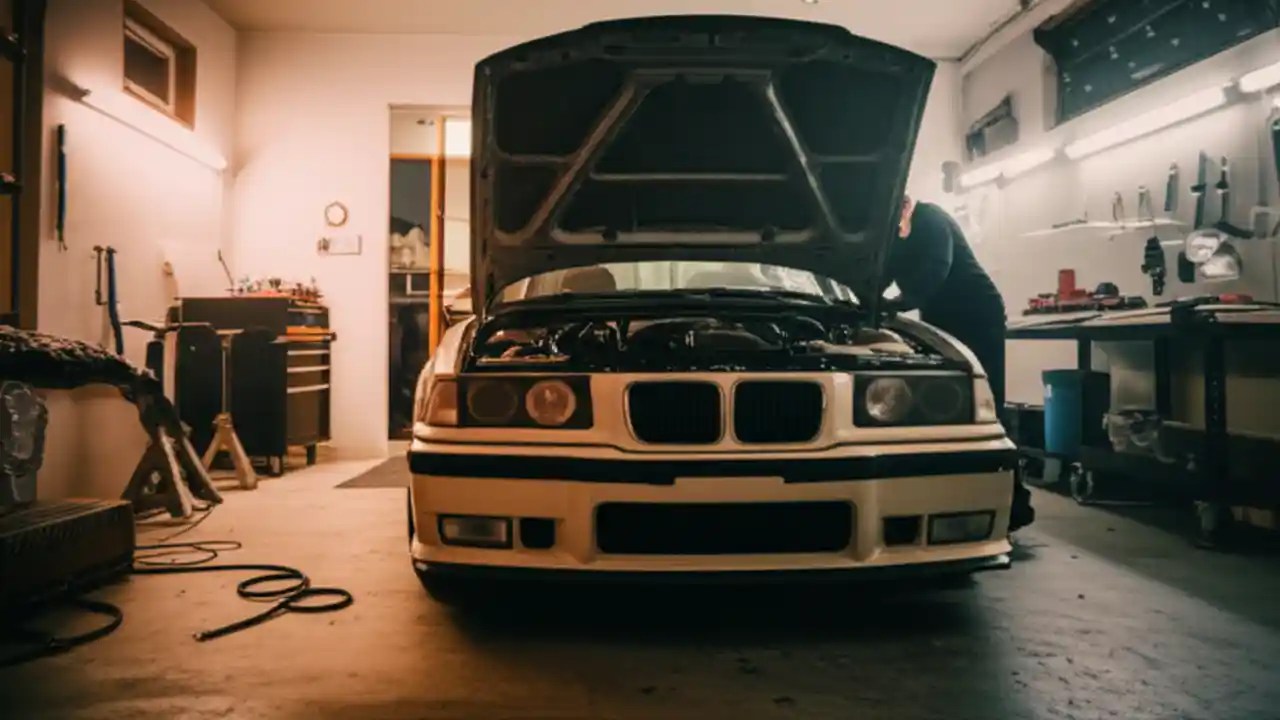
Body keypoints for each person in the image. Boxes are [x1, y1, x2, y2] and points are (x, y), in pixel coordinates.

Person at [884, 196, 1035, 531]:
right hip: (940, 323)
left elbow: (938, 265)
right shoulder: (890, 236)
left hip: (978, 315)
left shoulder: (929, 218)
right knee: (948, 407)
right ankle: (955, 496)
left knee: (988, 406)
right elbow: (880, 277)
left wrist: (896, 304)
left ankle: (1014, 505)